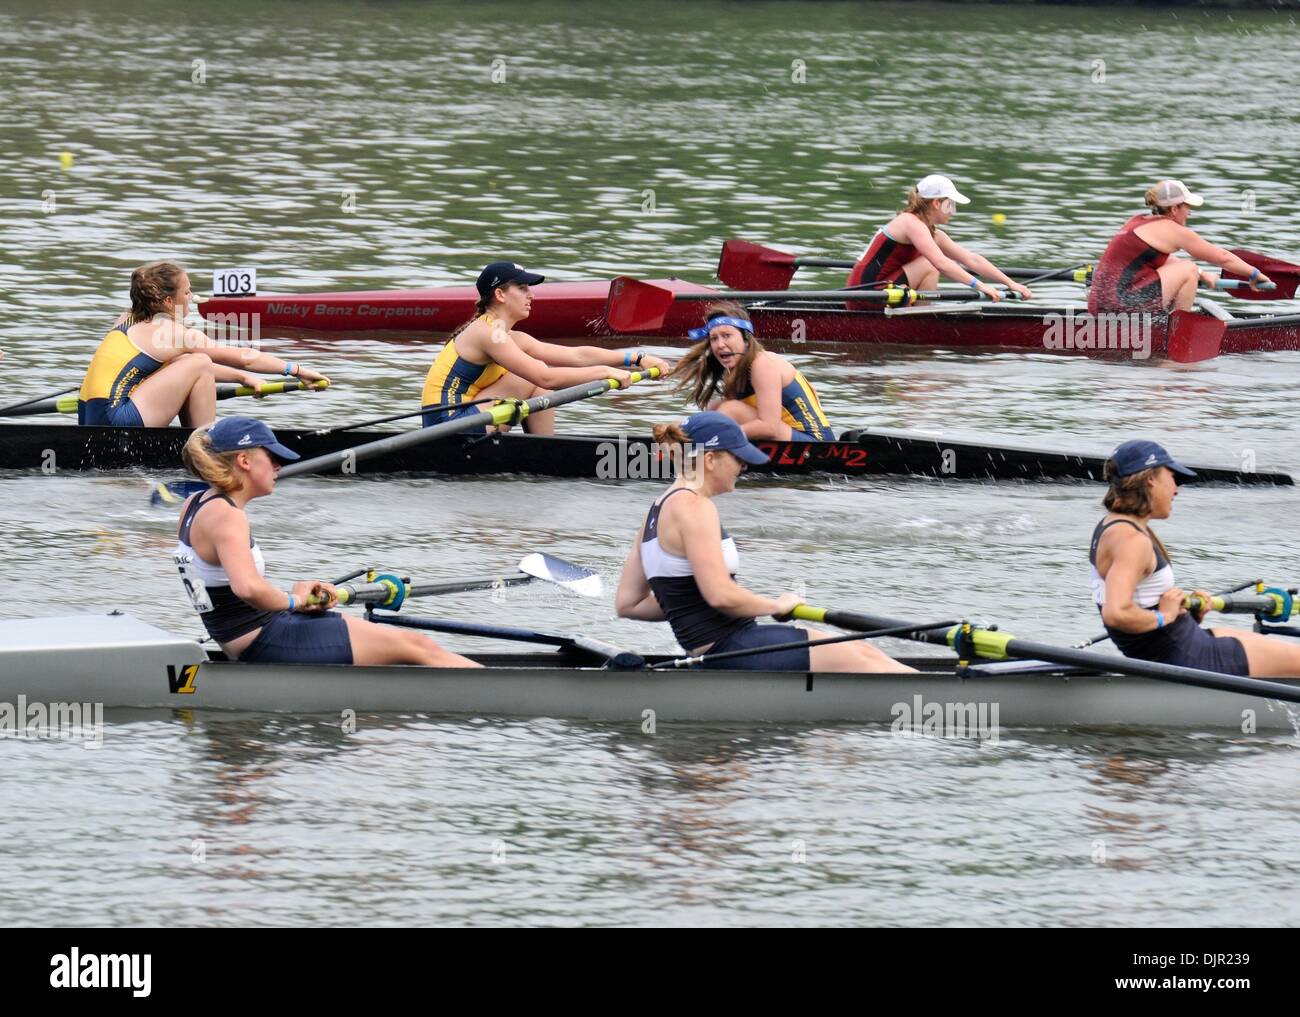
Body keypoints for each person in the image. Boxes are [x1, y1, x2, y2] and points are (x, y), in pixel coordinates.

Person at [615, 412, 914, 672]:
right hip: (732, 646)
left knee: (865, 653)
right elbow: (720, 596)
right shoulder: (695, 507)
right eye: (739, 458)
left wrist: (685, 606)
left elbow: (628, 604)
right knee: (870, 660)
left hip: (712, 649)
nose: (744, 468)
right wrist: (776, 604)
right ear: (710, 459)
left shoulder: (655, 510)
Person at [175, 416, 478, 667]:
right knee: (418, 646)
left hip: (246, 636)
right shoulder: (228, 517)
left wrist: (296, 599)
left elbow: (218, 592)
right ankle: (511, 696)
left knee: (397, 655)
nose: (279, 466)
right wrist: (294, 601)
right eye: (272, 457)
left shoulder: (195, 504)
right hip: (264, 641)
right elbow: (247, 588)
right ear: (244, 460)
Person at [1090, 439, 1300, 677]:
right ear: (1150, 479)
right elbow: (1116, 613)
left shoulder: (1112, 526)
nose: (1177, 490)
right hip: (1188, 657)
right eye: (1173, 479)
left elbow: (1139, 605)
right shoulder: (1132, 541)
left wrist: (1187, 611)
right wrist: (1166, 615)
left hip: (1182, 644)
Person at [421, 261, 672, 434]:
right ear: (500, 295)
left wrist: (637, 358)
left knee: (537, 378)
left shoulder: (509, 336)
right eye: (522, 288)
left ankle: (543, 448)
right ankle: (544, 452)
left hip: (467, 418)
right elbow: (547, 377)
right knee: (535, 375)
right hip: (446, 426)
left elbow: (576, 354)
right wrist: (605, 372)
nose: (532, 295)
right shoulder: (488, 334)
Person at [78, 261, 329, 427]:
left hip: (88, 417)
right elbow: (245, 356)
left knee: (195, 363)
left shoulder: (125, 319)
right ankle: (204, 450)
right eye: (187, 292)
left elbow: (175, 368)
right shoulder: (173, 334)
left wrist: (242, 379)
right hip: (117, 421)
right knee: (199, 362)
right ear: (167, 301)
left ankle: (195, 445)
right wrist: (295, 370)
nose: (193, 298)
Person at [1088, 181, 1273, 315]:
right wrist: (1255, 274)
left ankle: (1164, 322)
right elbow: (1222, 257)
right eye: (1187, 207)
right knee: (1188, 270)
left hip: (1099, 305)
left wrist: (1203, 274)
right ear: (1175, 209)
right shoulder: (1172, 229)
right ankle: (1178, 332)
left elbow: (1168, 260)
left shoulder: (1137, 221)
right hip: (1120, 305)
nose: (1190, 212)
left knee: (1189, 268)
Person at [846, 174, 1034, 305]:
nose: (953, 211)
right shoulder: (910, 223)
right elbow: (941, 263)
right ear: (936, 203)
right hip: (864, 296)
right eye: (950, 204)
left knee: (931, 264)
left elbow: (971, 259)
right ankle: (922, 321)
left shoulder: (933, 234)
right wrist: (981, 286)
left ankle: (922, 317)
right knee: (930, 264)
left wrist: (1011, 283)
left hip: (888, 293)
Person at [672, 302, 834, 441]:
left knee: (728, 410)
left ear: (746, 339)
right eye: (714, 338)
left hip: (815, 443)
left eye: (727, 335)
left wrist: (720, 436)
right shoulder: (732, 370)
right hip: (785, 436)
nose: (720, 344)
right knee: (715, 408)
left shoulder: (763, 363)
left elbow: (769, 427)